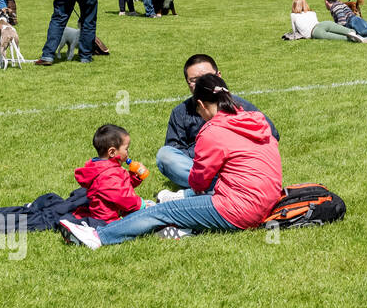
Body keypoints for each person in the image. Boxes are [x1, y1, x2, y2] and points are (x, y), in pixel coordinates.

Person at [61, 74, 286, 248]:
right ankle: (184, 226)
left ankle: (98, 237)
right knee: (187, 203)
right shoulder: (256, 119)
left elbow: (199, 183)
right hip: (269, 200)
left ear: (201, 104)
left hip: (240, 209)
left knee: (162, 211)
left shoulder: (213, 130)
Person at [157, 54, 277, 188]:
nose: (201, 84)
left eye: (207, 77)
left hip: (236, 168)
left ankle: (210, 189)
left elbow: (272, 134)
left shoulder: (239, 105)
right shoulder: (180, 112)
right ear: (187, 83)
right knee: (165, 156)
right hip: (201, 168)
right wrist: (205, 155)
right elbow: (174, 149)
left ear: (218, 76)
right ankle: (217, 187)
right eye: (194, 80)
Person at [71, 124, 147, 225]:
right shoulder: (107, 175)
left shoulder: (109, 168)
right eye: (126, 149)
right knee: (146, 219)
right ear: (112, 152)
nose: (128, 152)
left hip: (117, 212)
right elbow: (122, 197)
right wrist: (140, 204)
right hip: (108, 220)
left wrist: (135, 177)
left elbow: (122, 185)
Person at [291, 0, 367, 41]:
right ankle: (355, 33)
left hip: (315, 32)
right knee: (347, 31)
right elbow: (316, 22)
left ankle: (356, 39)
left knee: (341, 38)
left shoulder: (293, 15)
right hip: (323, 24)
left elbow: (295, 31)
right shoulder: (312, 12)